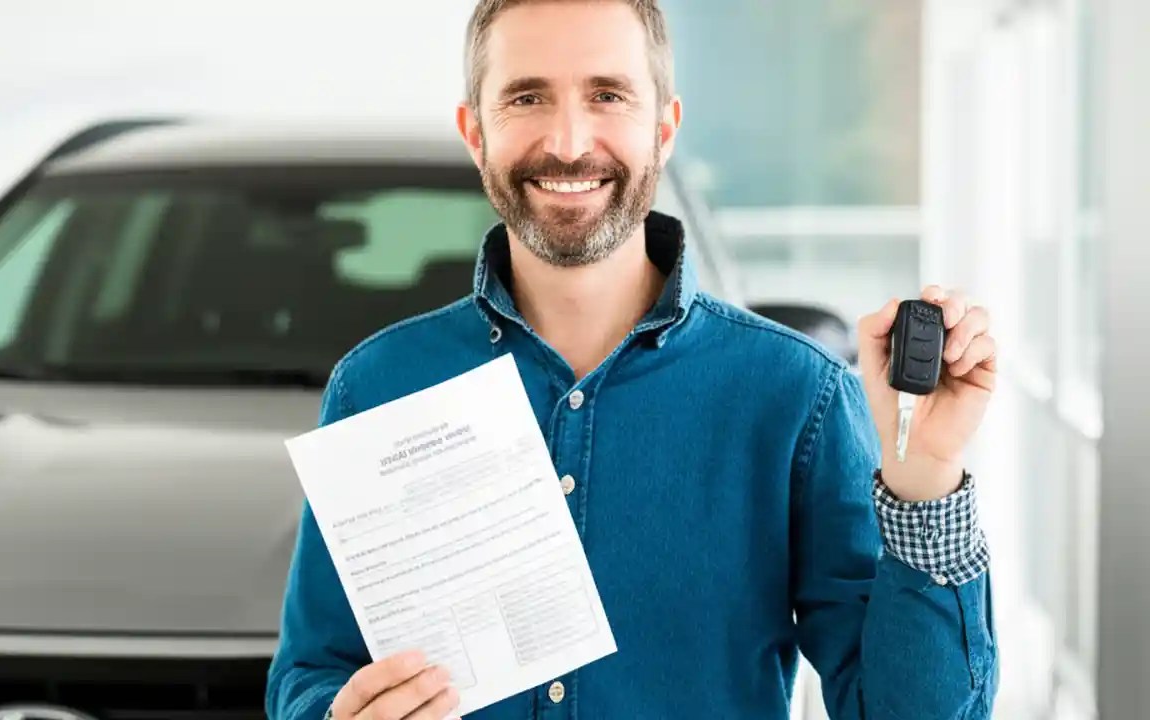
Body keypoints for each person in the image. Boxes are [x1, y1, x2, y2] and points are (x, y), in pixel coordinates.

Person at [265, 0, 999, 718]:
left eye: (607, 95)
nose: (570, 140)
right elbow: (312, 673)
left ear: (664, 127)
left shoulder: (796, 398)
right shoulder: (376, 388)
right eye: (526, 97)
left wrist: (927, 478)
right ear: (475, 132)